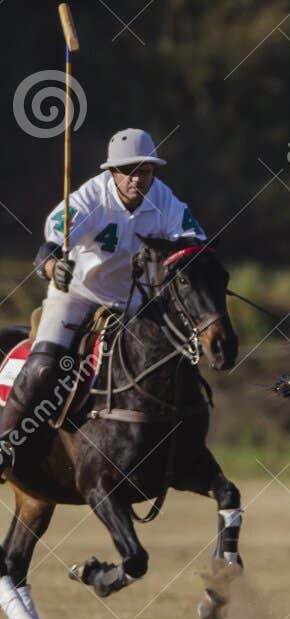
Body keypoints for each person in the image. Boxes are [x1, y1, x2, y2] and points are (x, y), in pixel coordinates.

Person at [0, 128, 206, 474]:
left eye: (146, 170)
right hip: (78, 295)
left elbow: (192, 242)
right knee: (45, 365)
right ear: (113, 172)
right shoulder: (91, 198)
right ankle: (6, 439)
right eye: (129, 170)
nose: (138, 178)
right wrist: (53, 266)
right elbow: (49, 244)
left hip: (133, 304)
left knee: (172, 360)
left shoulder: (164, 199)